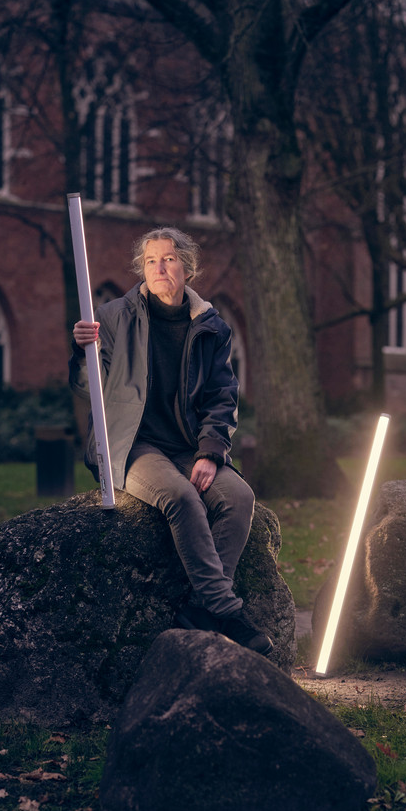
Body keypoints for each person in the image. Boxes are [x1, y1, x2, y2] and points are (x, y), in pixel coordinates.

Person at [69, 226, 272, 655]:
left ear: (188, 268)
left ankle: (199, 611)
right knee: (181, 498)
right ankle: (226, 612)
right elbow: (90, 387)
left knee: (239, 498)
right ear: (142, 269)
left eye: (169, 259)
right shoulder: (110, 317)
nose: (159, 268)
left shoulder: (211, 327)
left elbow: (222, 396)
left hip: (187, 444)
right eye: (150, 261)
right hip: (131, 444)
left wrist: (210, 452)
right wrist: (82, 350)